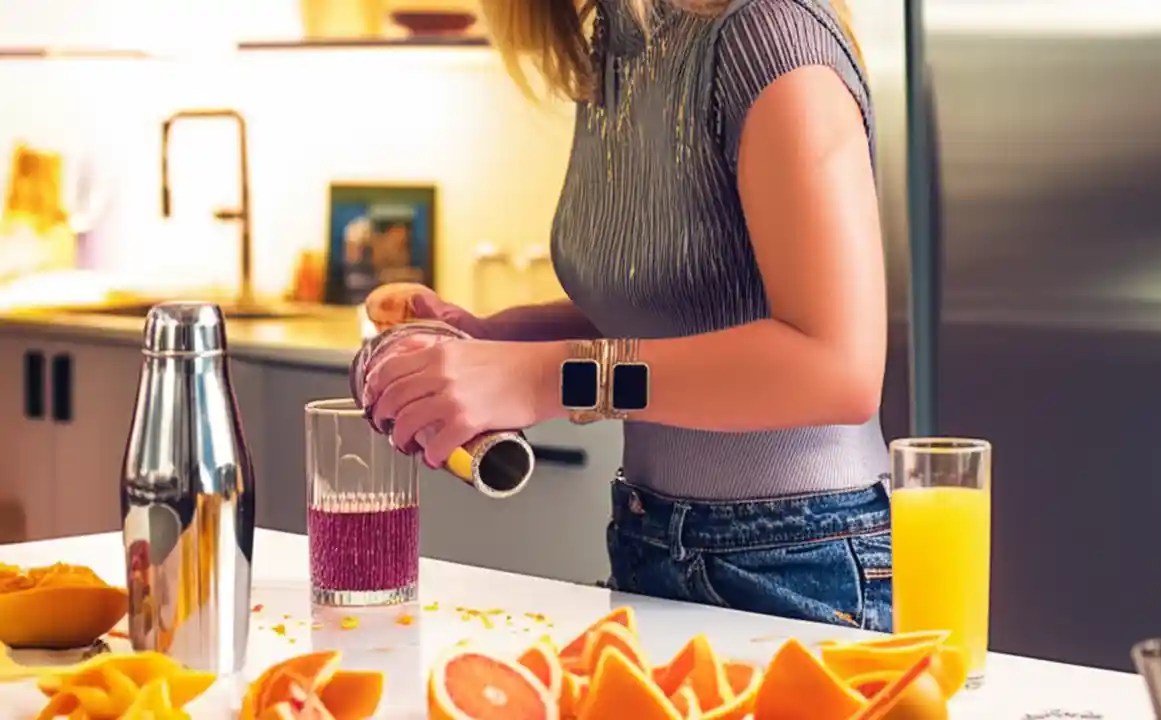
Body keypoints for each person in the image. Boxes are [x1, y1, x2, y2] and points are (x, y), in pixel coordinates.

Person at [360, 0, 892, 631]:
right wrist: (490, 342)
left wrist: (537, 378)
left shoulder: (770, 35)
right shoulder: (618, 38)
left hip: (802, 562)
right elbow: (673, 314)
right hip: (651, 538)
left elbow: (834, 370)